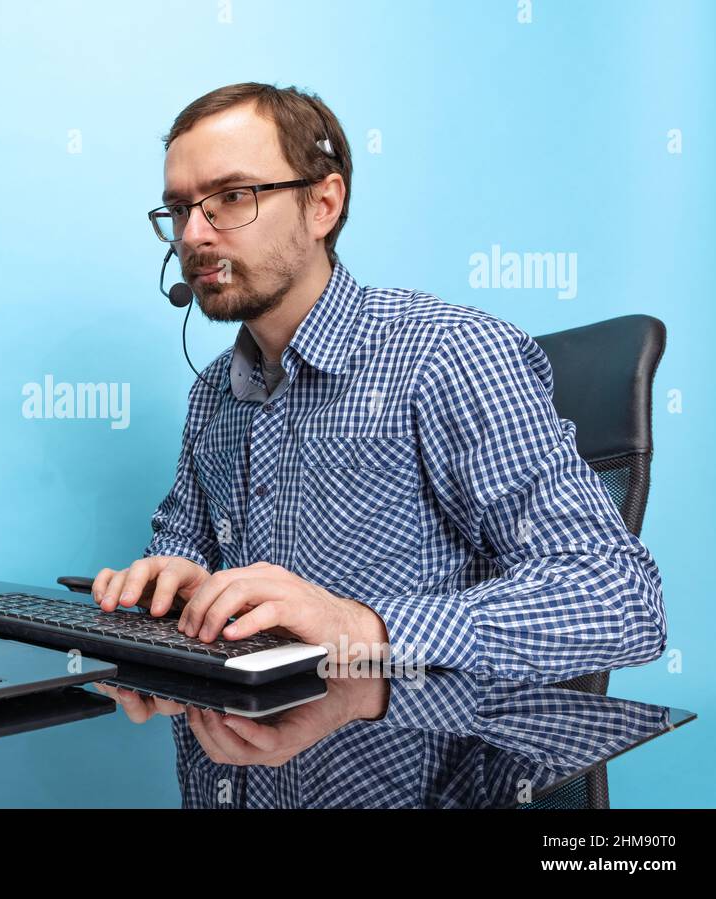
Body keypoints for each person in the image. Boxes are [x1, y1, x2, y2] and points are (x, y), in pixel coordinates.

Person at [92, 82, 665, 683]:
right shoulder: (214, 392)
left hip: (417, 752)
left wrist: (360, 627)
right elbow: (186, 548)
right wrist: (178, 582)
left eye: (233, 196)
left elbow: (621, 602)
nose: (194, 235)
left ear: (323, 204)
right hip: (240, 750)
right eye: (180, 209)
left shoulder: (452, 356)